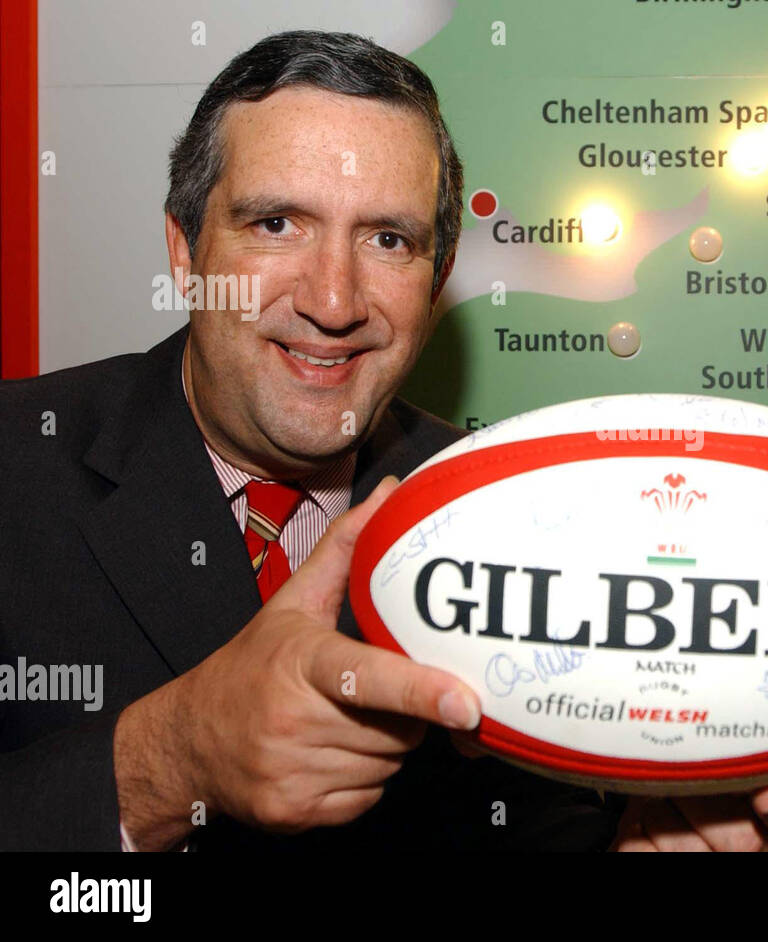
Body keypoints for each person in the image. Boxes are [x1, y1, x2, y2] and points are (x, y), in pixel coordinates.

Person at [0, 30, 612, 852]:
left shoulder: (501, 515)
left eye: (388, 240)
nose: (333, 300)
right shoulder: (17, 465)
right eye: (278, 224)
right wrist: (169, 761)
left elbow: (547, 816)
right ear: (186, 252)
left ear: (438, 277)